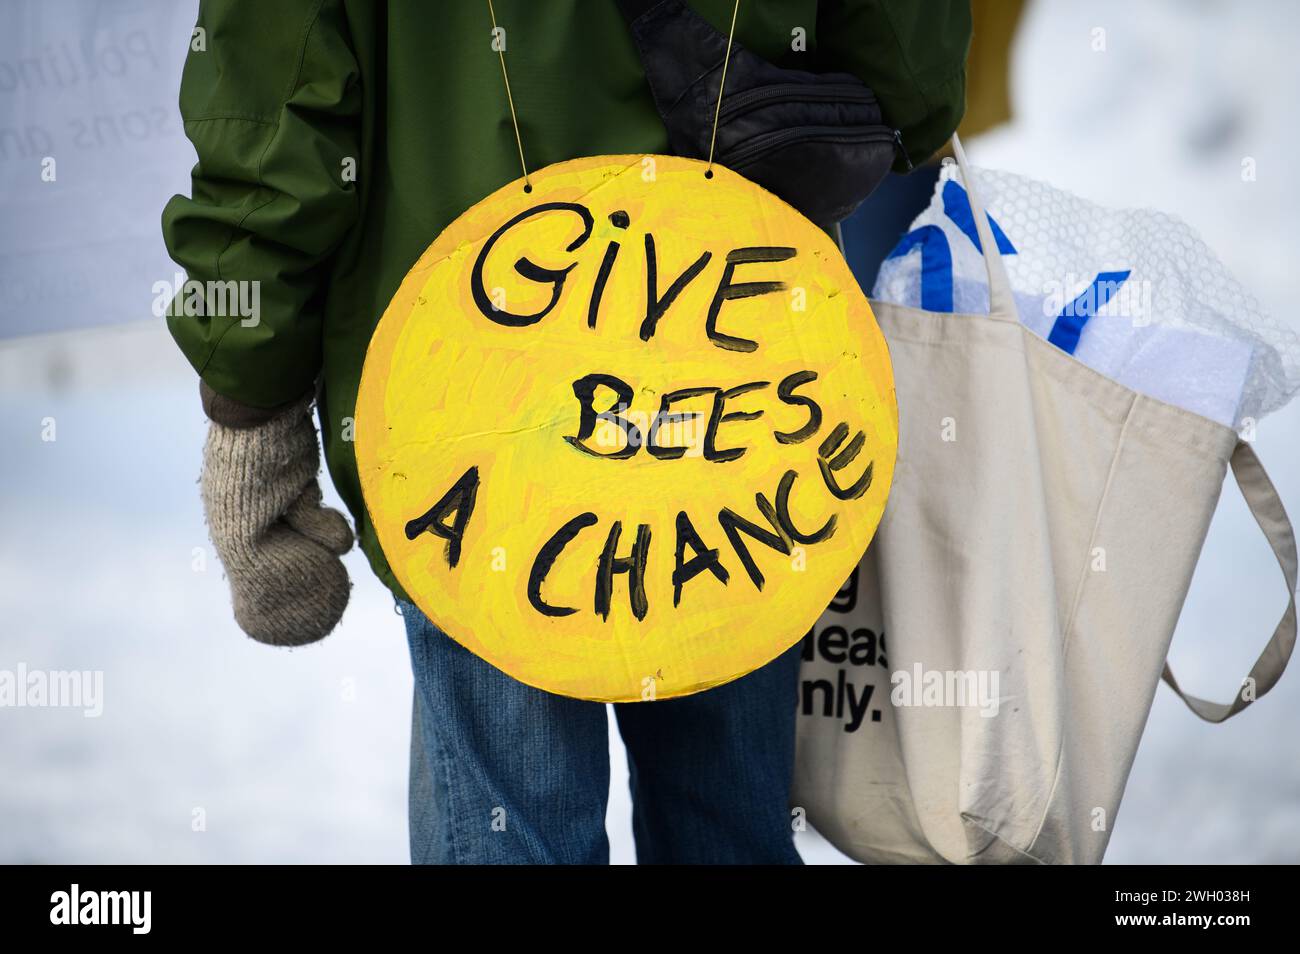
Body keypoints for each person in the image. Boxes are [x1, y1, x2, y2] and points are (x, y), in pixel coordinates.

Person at [162, 0, 970, 865]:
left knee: (512, 837)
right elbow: (909, 75)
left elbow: (275, 123)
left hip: (467, 402)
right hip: (741, 377)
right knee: (729, 832)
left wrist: (250, 405)